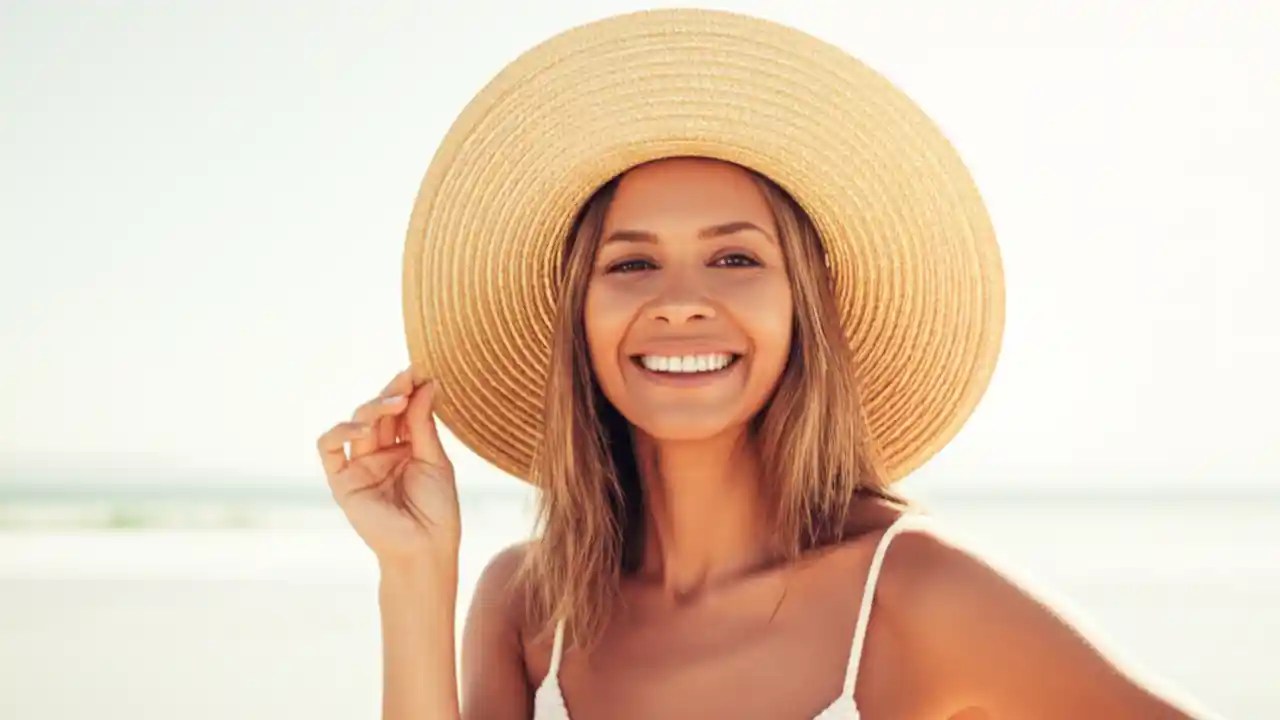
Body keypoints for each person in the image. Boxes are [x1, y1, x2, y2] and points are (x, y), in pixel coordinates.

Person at [316, 10, 1214, 720]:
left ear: (801, 311)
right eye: (631, 264)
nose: (679, 301)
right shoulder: (526, 606)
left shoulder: (914, 589)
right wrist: (414, 573)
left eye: (735, 258)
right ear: (580, 321)